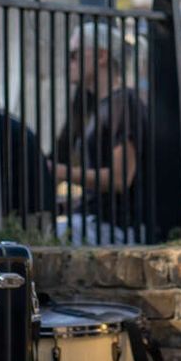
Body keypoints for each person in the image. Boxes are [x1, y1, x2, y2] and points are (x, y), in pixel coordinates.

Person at [50, 20, 148, 243]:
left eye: (74, 55)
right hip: (96, 221)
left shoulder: (123, 103)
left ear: (101, 56)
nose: (70, 62)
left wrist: (58, 171)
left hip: (116, 229)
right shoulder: (99, 107)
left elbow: (120, 178)